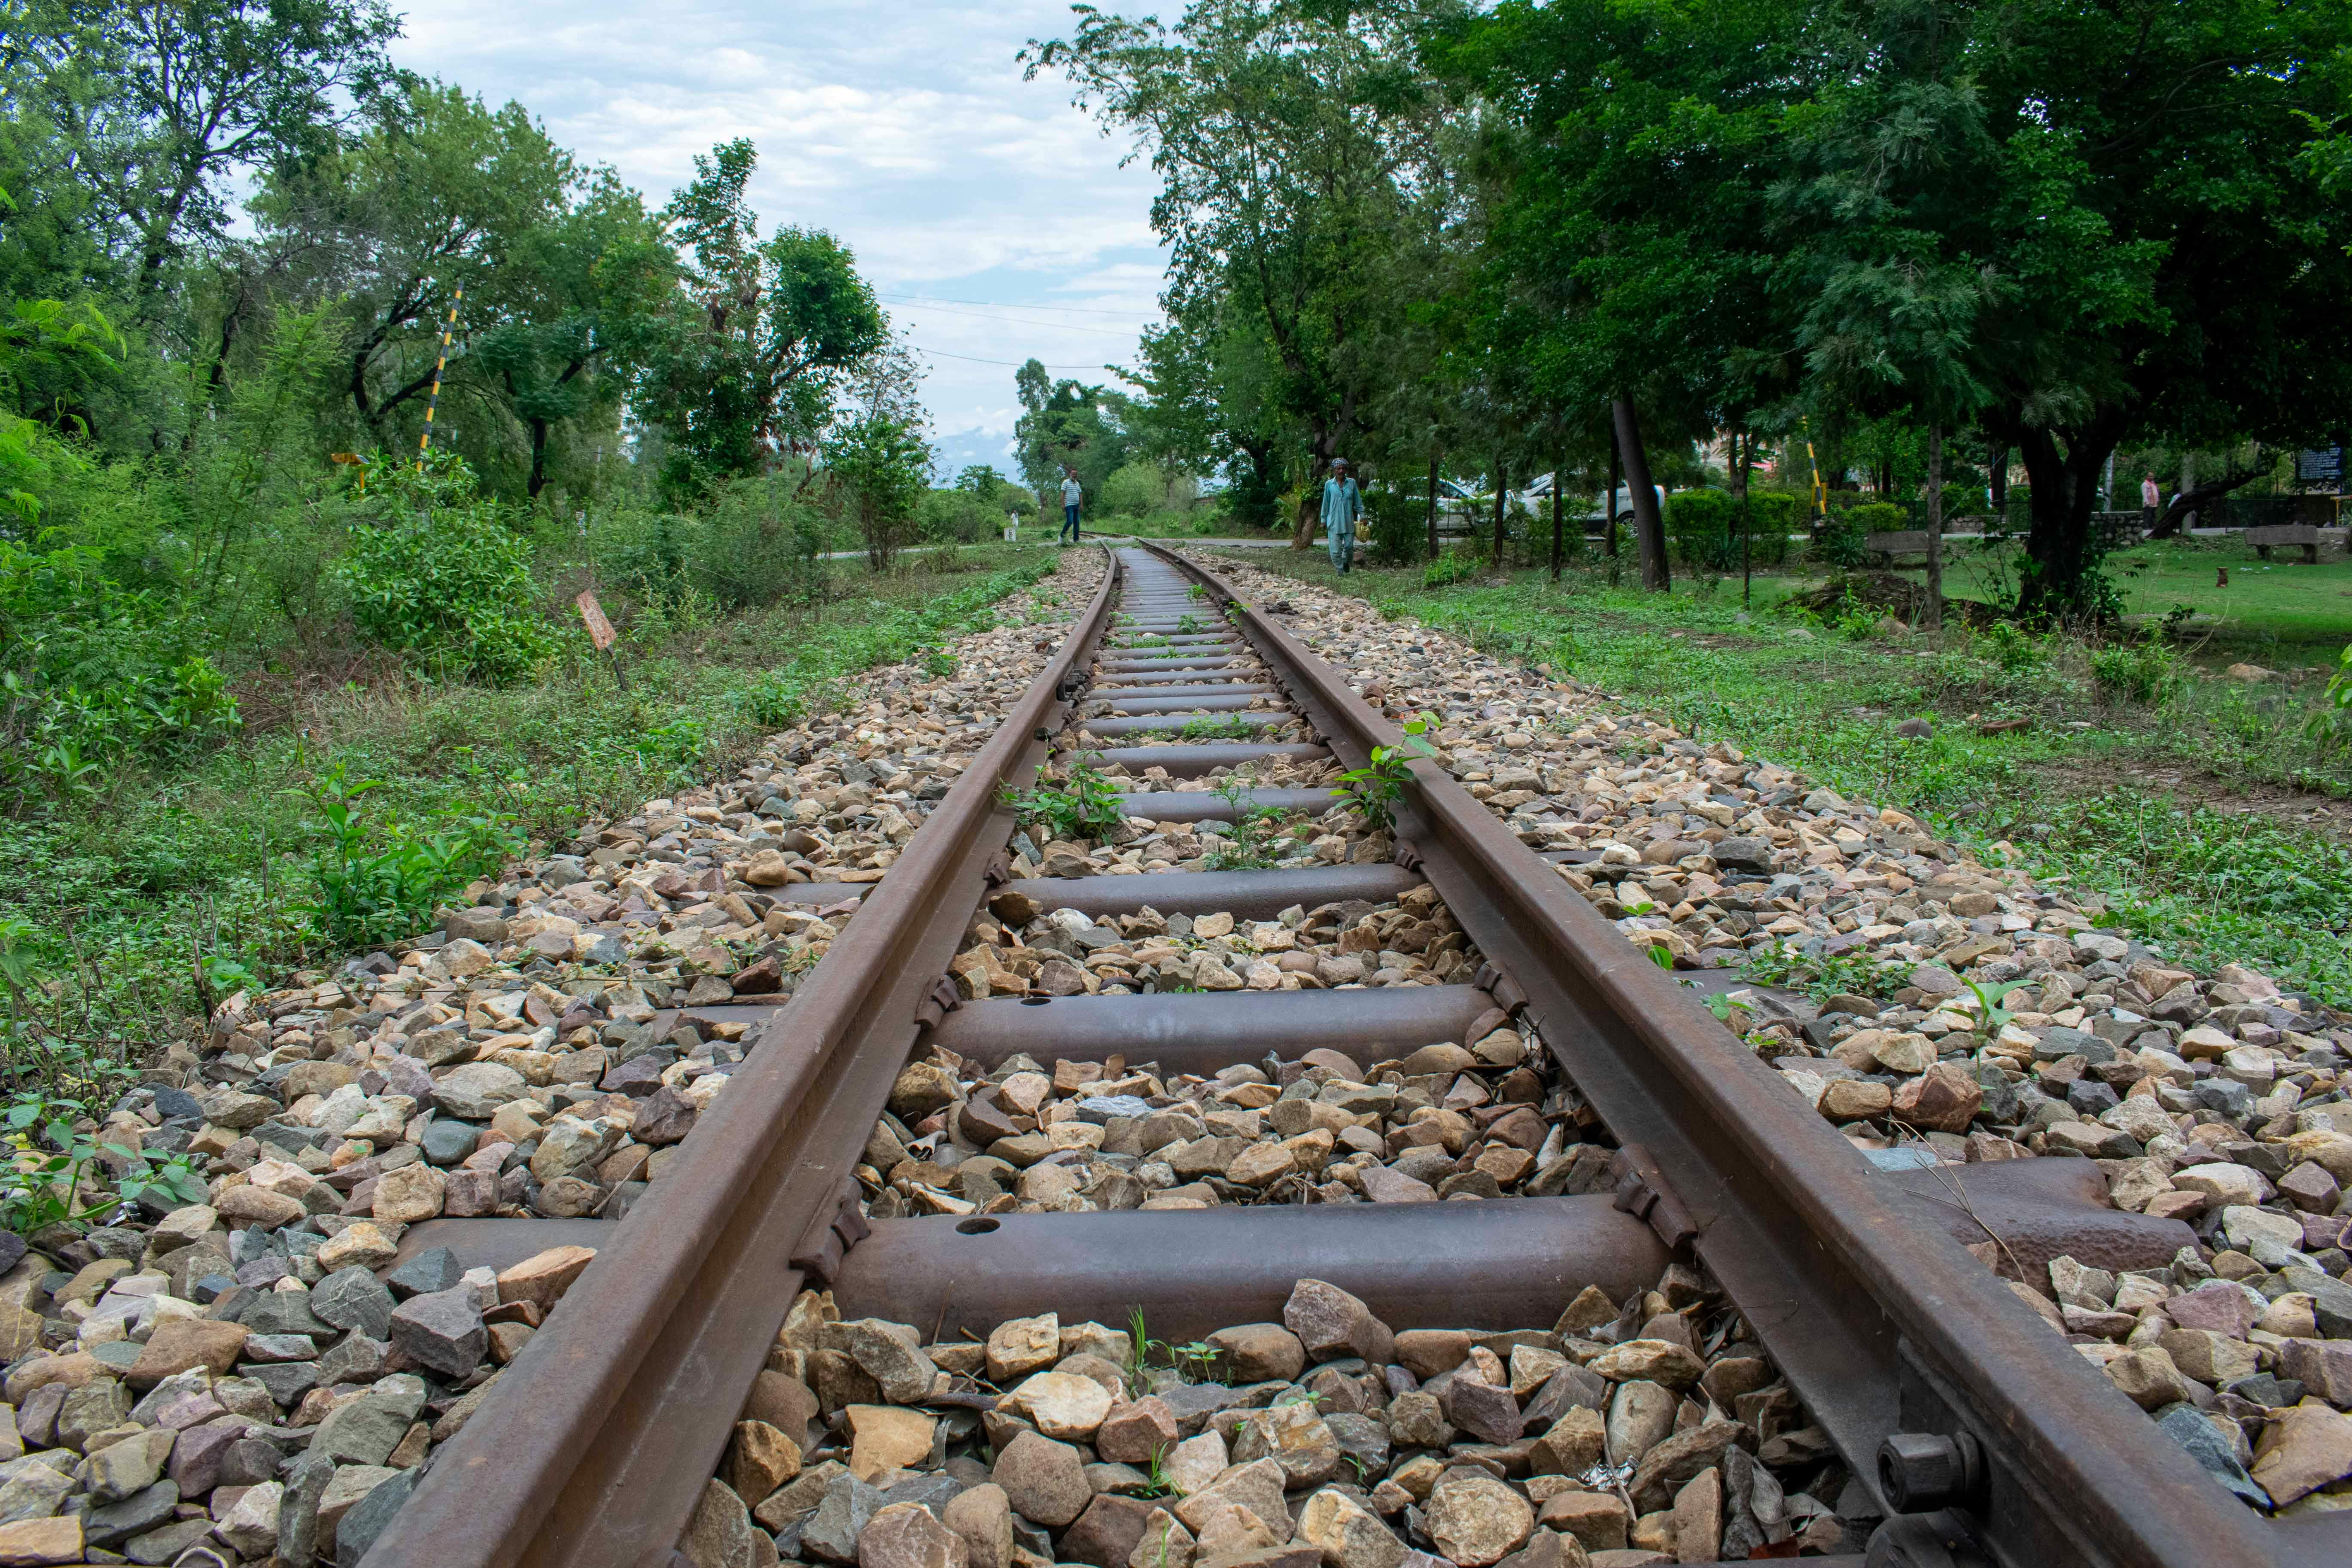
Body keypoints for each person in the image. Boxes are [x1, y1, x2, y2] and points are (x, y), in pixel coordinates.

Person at [1321, 458, 1364, 573]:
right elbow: (1326, 503)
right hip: (1334, 522)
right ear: (1334, 470)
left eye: (1344, 468)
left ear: (1346, 469)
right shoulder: (1329, 485)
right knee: (1335, 551)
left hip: (1348, 521)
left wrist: (1363, 516)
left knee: (1349, 547)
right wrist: (1323, 519)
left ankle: (1345, 562)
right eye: (1339, 469)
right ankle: (1340, 570)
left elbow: (1358, 501)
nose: (1341, 471)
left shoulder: (1352, 483)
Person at [1060, 468, 1083, 544]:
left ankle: (1076, 540)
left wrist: (1081, 504)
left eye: (1076, 474)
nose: (1075, 475)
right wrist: (1063, 504)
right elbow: (1062, 493)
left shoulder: (1077, 484)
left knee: (1077, 522)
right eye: (1073, 474)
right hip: (1069, 505)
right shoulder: (1066, 482)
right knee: (1070, 521)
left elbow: (1080, 494)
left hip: (1076, 506)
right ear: (1070, 474)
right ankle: (1061, 537)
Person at [2141, 471, 2161, 535]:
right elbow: (2145, 494)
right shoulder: (2145, 485)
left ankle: (2154, 528)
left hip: (2154, 503)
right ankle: (2147, 529)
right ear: (2147, 477)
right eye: (2150, 476)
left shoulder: (2153, 484)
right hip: (2148, 503)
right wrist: (2146, 503)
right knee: (2147, 516)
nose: (2152, 477)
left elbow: (2155, 493)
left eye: (2152, 476)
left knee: (2153, 516)